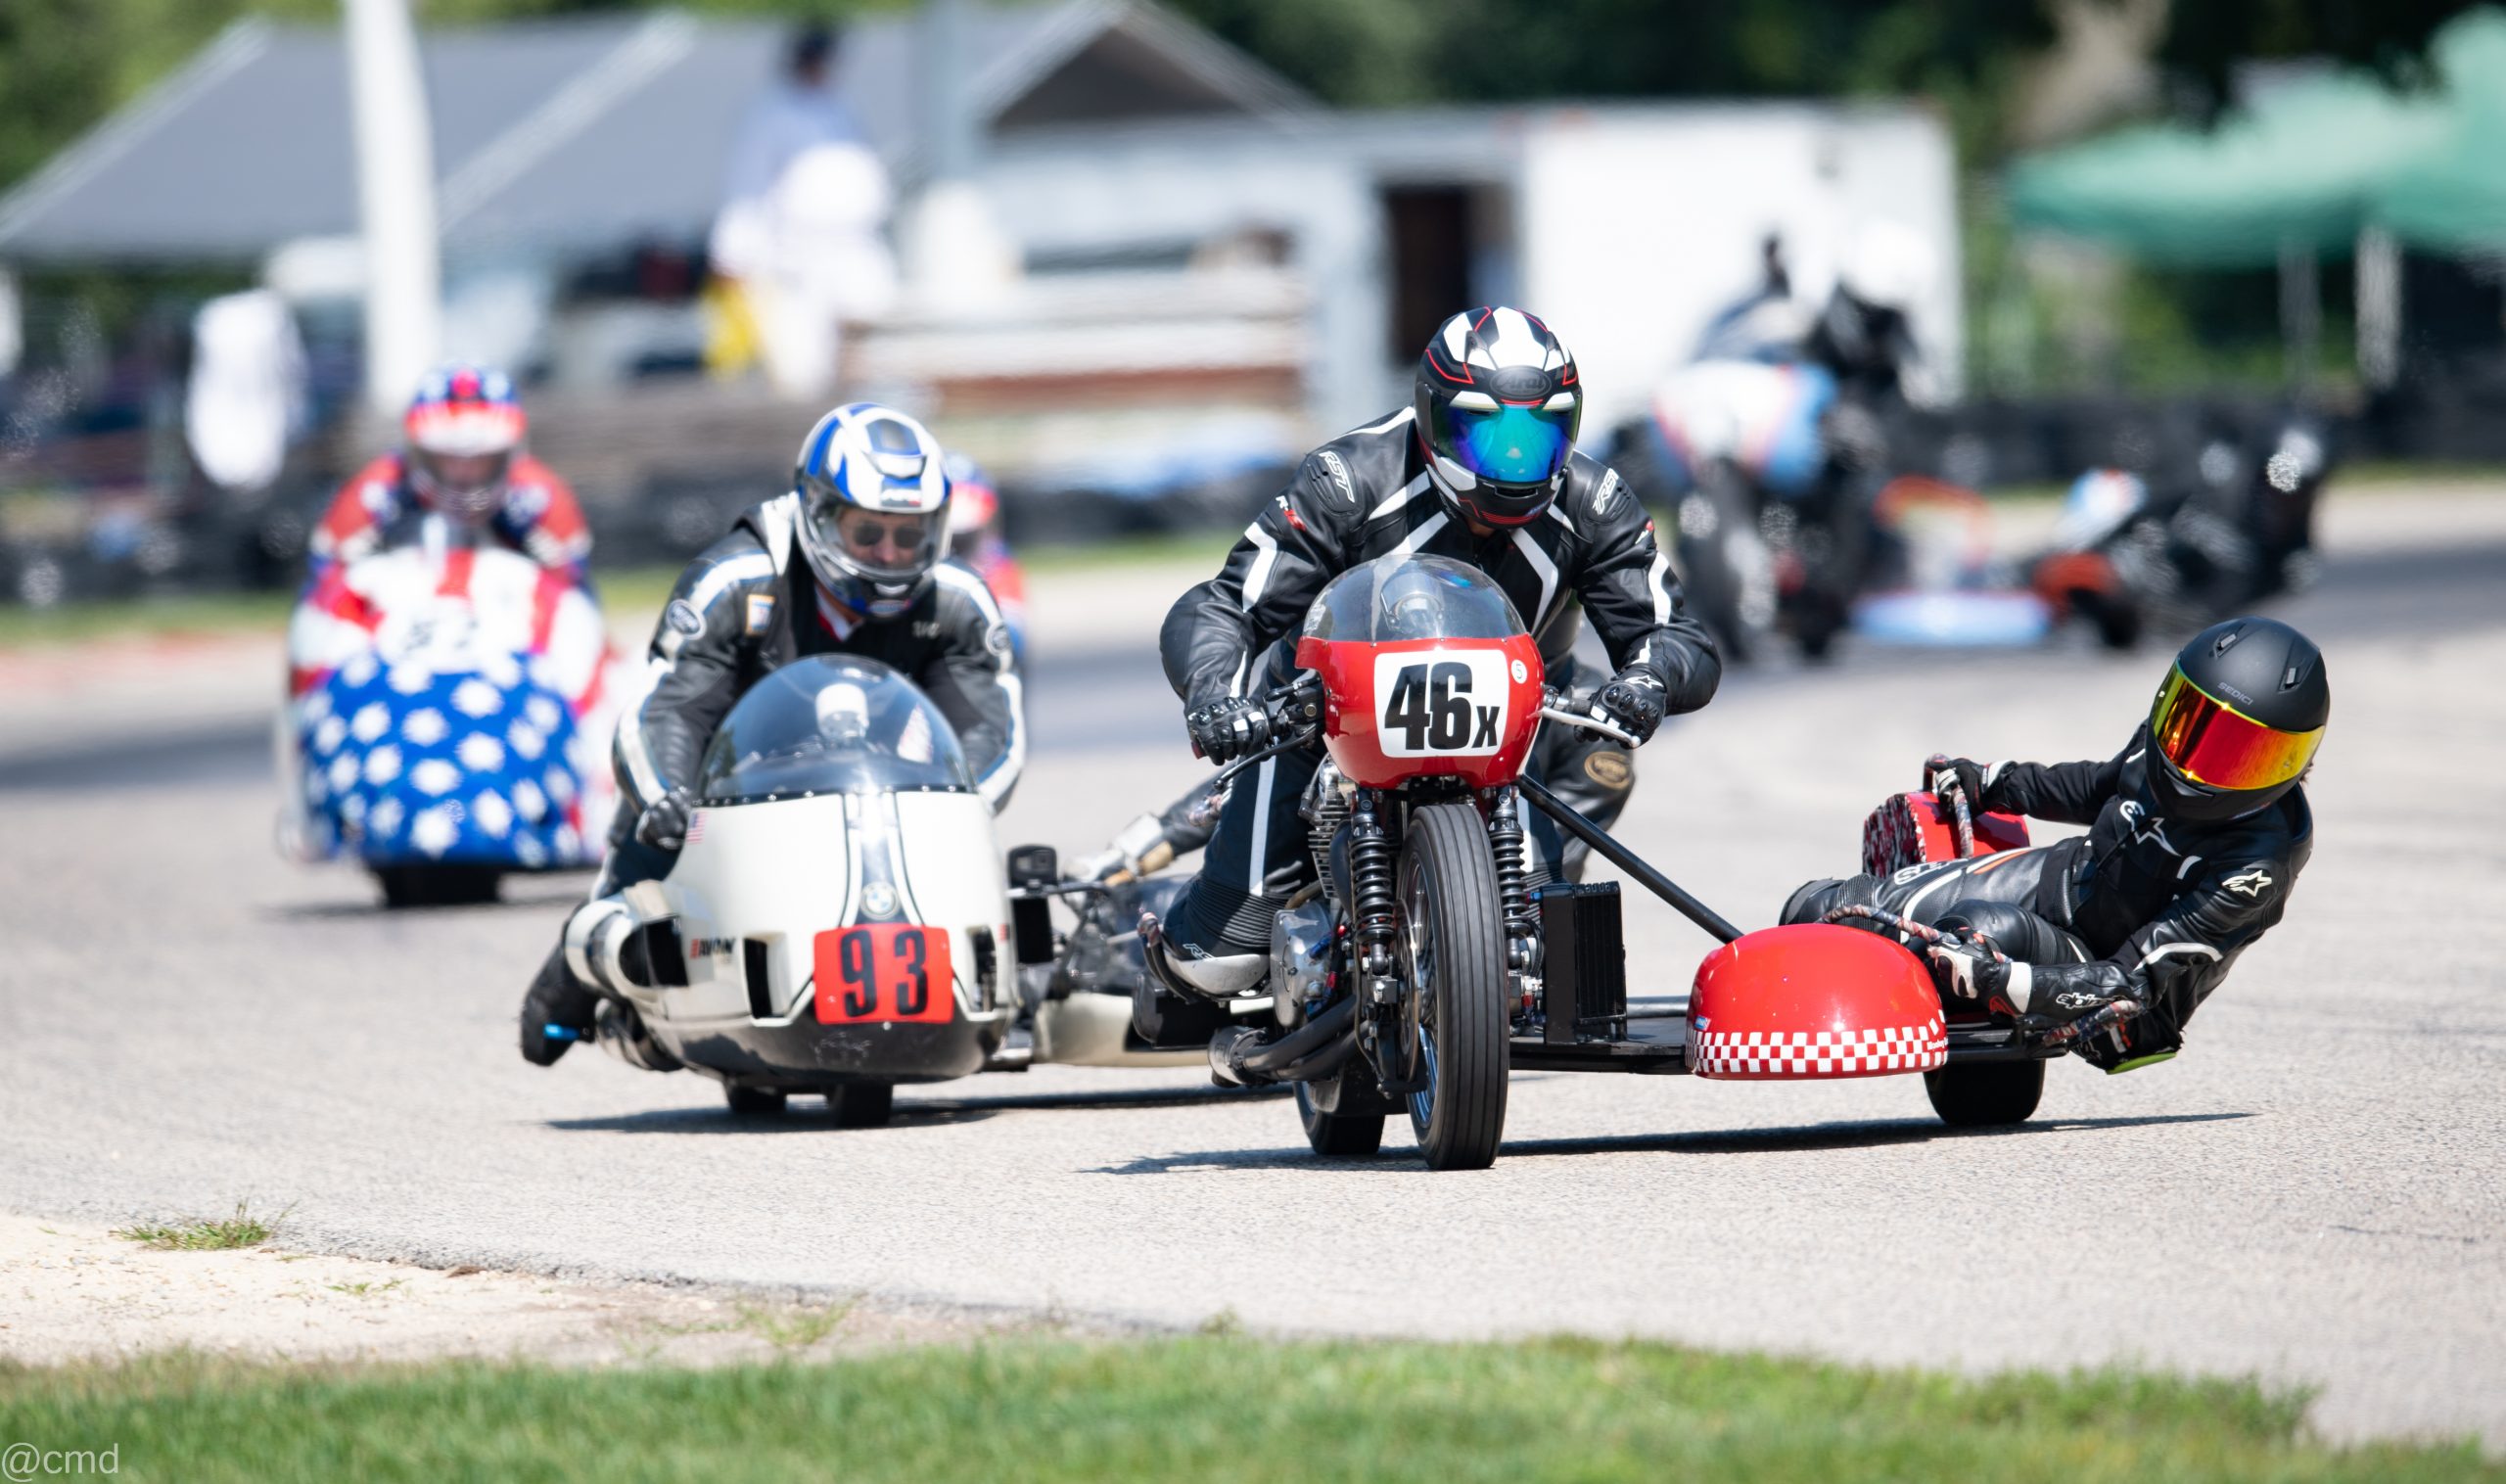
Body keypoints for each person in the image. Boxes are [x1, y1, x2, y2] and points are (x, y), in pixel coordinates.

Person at [1143, 306, 1723, 997]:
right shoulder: (1347, 481)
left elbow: (1676, 634)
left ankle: (1495, 924)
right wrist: (1215, 694)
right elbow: (1225, 603)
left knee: (1552, 944)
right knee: (1216, 962)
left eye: (1537, 434)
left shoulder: (1595, 502)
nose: (1515, 459)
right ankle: (1162, 926)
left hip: (1517, 730)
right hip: (1327, 720)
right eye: (1490, 434)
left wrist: (1650, 681)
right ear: (1435, 417)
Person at [517, 402, 1025, 1064]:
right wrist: (669, 797)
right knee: (601, 939)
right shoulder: (735, 581)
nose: (891, 555)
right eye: (868, 532)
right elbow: (665, 709)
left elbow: (992, 727)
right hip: (722, 796)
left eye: (911, 535)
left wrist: (960, 807)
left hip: (886, 794)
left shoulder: (957, 600)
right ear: (817, 513)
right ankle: (577, 974)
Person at [1782, 616, 2324, 1072]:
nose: (2193, 762)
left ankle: (1886, 1006)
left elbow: (2131, 982)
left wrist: (2015, 981)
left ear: (2289, 766)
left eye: (2238, 755)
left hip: (2118, 997)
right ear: (2169, 700)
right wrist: (1996, 780)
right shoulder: (2160, 742)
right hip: (2060, 881)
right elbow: (2095, 787)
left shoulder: (2257, 865)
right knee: (1826, 904)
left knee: (1976, 936)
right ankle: (1785, 997)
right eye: (2191, 725)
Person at [308, 363, 588, 582]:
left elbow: (572, 596)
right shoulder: (376, 491)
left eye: (481, 459)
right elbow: (324, 590)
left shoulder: (538, 496)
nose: (464, 473)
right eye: (447, 458)